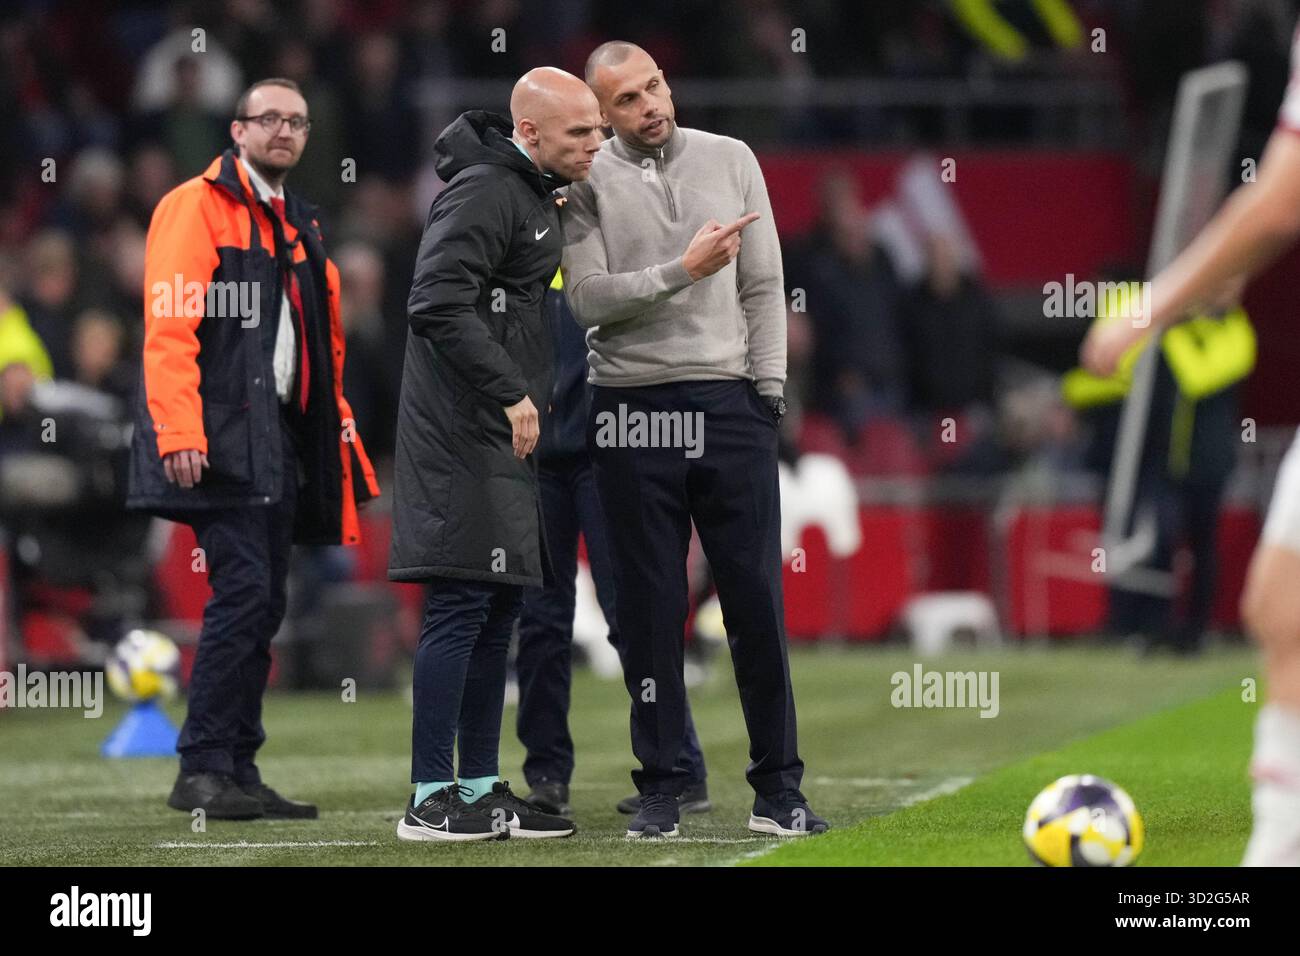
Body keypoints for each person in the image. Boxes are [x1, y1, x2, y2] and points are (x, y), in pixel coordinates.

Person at [562, 41, 828, 839]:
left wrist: (768, 396)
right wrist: (682, 269)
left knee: (754, 603)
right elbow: (587, 301)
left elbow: (762, 283)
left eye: (655, 87)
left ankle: (779, 790)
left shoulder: (733, 157)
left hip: (730, 406)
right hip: (629, 407)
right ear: (602, 114)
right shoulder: (582, 181)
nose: (651, 106)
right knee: (648, 609)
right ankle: (664, 786)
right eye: (629, 100)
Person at [126, 78, 382, 820]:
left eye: (297, 121)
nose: (284, 131)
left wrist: (337, 446)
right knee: (244, 596)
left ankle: (236, 767)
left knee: (263, 600)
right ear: (237, 130)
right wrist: (179, 431)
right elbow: (168, 328)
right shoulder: (195, 208)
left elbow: (317, 352)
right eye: (268, 119)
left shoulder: (295, 221)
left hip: (274, 440)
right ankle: (203, 766)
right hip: (219, 437)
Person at [1082, 21, 1300, 866]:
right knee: (1277, 605)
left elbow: (1282, 197)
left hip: (1201, 458)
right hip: (1180, 460)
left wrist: (1151, 303)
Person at [389, 68, 602, 842]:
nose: (596, 142)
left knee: (497, 607)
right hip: (462, 432)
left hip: (501, 432)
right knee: (459, 606)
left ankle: (477, 788)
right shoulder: (484, 189)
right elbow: (434, 300)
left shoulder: (528, 191)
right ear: (533, 132)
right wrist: (513, 391)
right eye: (581, 131)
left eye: (598, 128)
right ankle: (426, 796)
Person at [516, 268, 712, 819]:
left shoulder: (590, 221)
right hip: (538, 455)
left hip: (604, 446)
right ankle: (548, 775)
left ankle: (679, 769)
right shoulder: (527, 226)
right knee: (540, 621)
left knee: (630, 611)